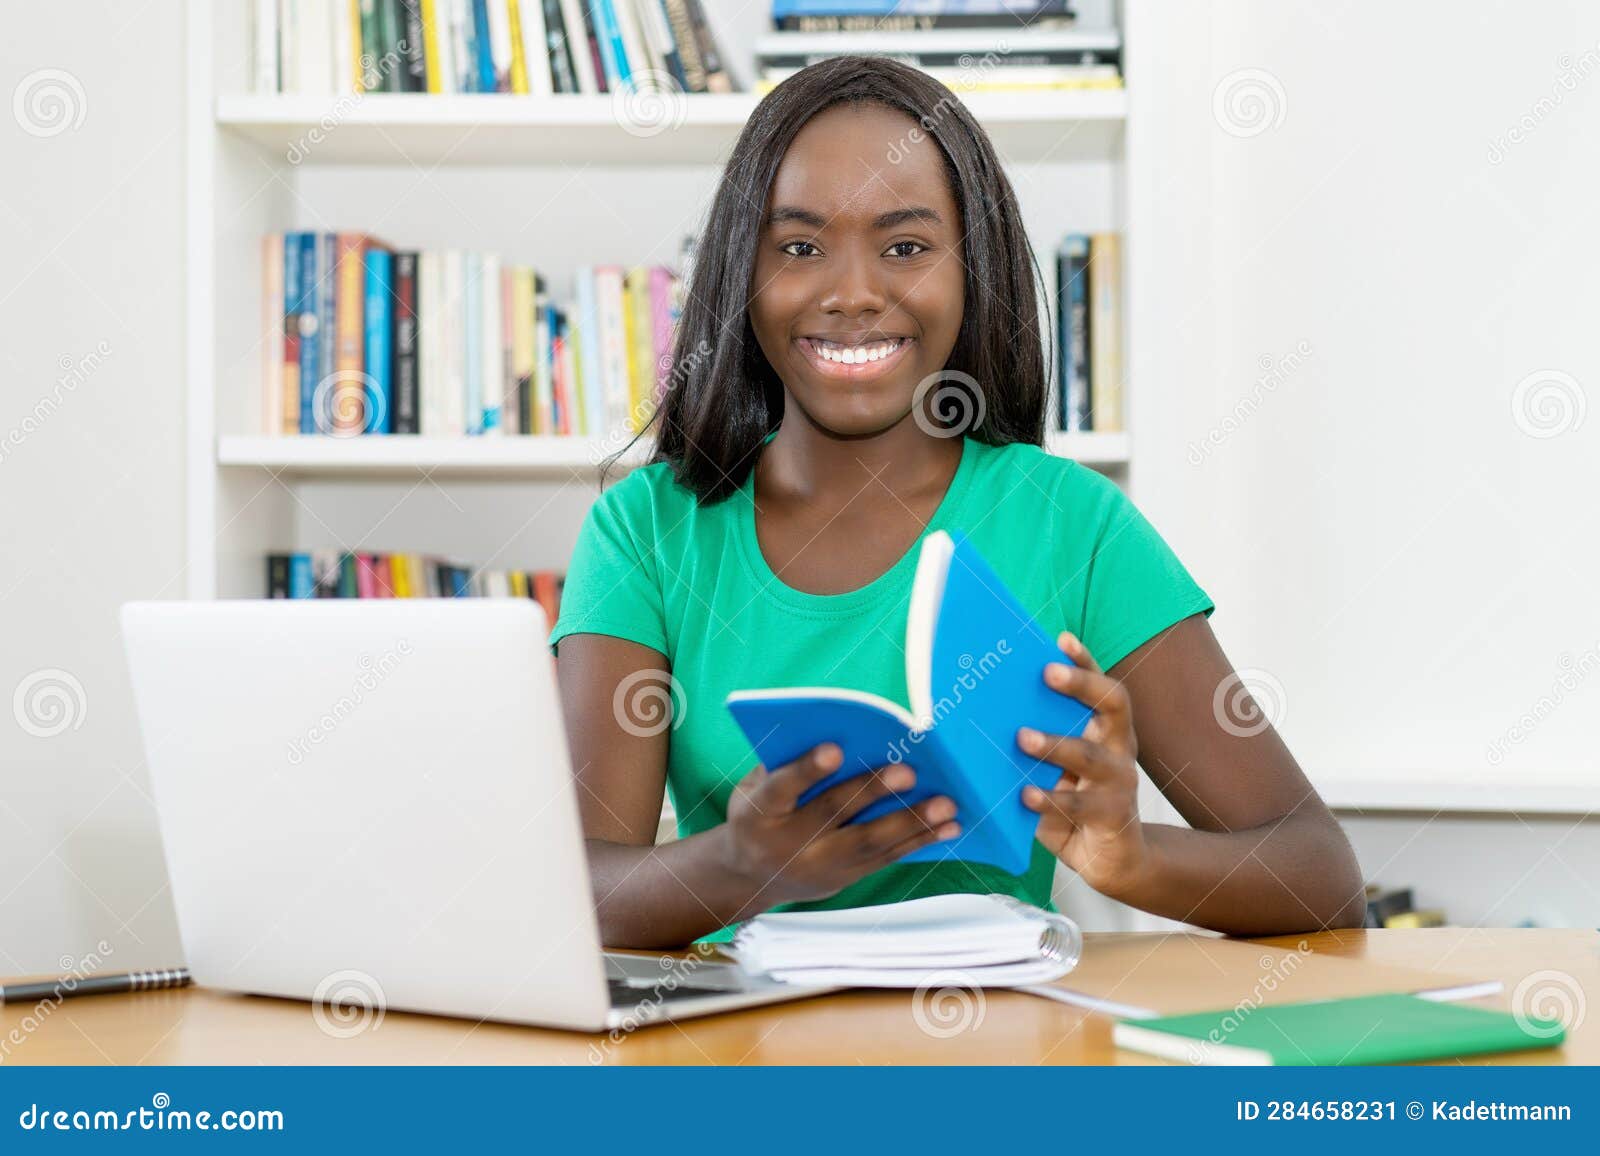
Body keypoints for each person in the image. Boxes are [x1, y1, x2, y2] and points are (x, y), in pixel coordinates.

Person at [550, 55, 1364, 949]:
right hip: (732, 1055)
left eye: (905, 247)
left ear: (972, 270)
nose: (853, 293)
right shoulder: (648, 532)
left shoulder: (1074, 525)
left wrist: (1132, 859)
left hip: (1008, 1050)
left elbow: (1318, 873)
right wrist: (738, 866)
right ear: (741, 275)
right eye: (799, 246)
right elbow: (564, 893)